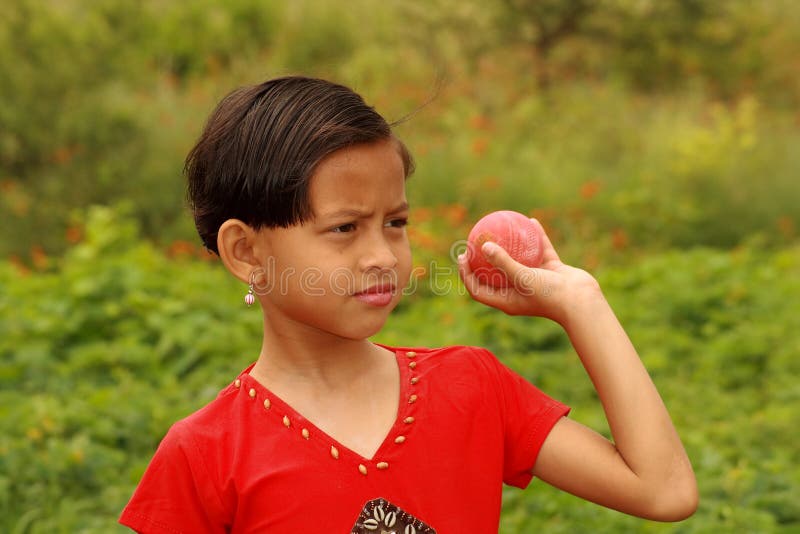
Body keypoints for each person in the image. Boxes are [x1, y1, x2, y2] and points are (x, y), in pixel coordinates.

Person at [119, 76, 697, 533]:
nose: (382, 255)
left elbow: (663, 491)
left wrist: (581, 302)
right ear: (246, 251)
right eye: (345, 227)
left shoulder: (472, 387)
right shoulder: (205, 455)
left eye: (395, 223)